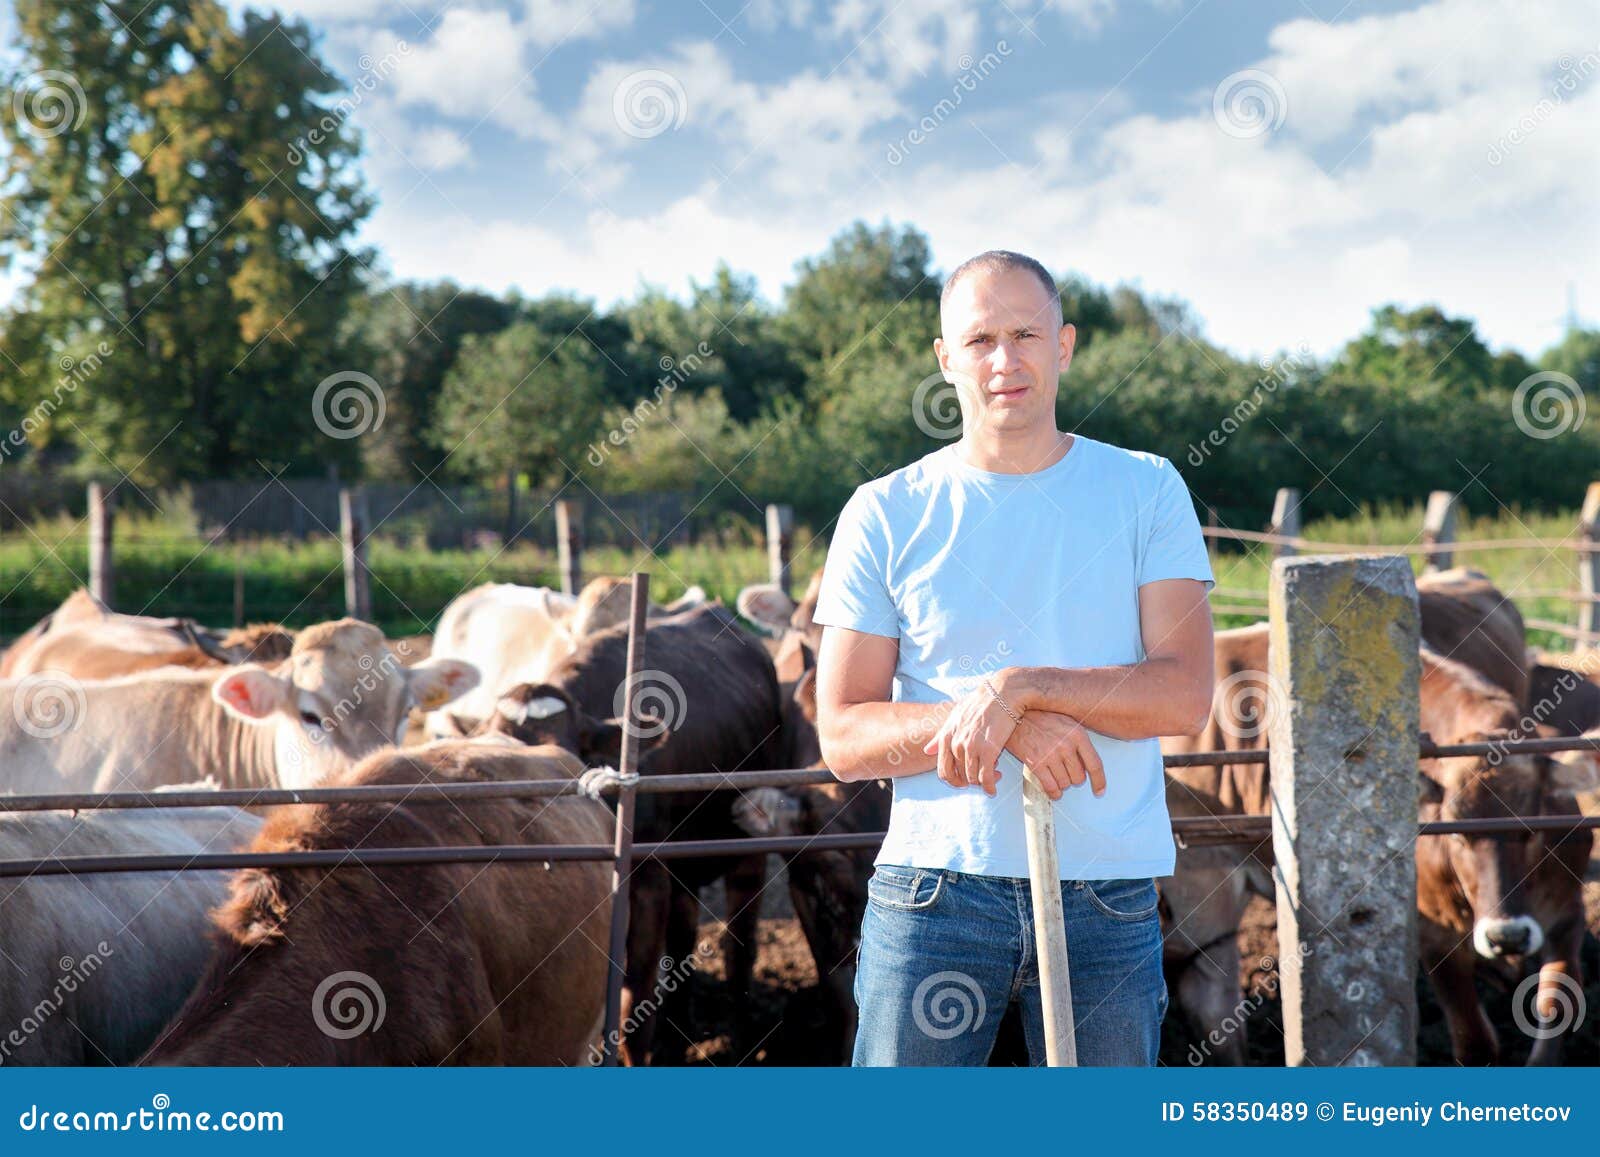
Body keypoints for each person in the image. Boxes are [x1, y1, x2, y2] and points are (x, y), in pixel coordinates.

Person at [811, 249, 1217, 1066]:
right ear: (944, 359)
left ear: (1064, 345)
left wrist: (1019, 687)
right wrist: (1010, 726)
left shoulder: (1146, 489)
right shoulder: (884, 511)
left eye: (1026, 333)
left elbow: (1182, 694)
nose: (1006, 360)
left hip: (1104, 893)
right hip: (934, 893)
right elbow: (844, 735)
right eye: (981, 339)